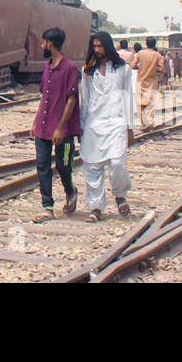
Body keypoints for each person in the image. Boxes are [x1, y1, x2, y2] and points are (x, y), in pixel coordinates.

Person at [79, 31, 137, 221]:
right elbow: (85, 99)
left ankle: (120, 195)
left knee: (118, 163)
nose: (97, 50)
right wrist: (81, 124)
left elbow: (128, 97)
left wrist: (130, 127)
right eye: (94, 46)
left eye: (100, 46)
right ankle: (96, 208)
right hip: (93, 123)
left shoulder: (123, 69)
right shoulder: (88, 70)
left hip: (117, 121)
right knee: (92, 166)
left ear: (108, 46)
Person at [30, 27, 80, 221]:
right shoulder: (46, 66)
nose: (42, 46)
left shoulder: (69, 68)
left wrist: (60, 127)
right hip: (43, 126)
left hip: (63, 130)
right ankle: (47, 207)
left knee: (63, 165)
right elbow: (45, 97)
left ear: (50, 44)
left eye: (43, 42)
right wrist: (35, 122)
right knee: (42, 166)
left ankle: (71, 190)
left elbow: (71, 99)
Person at [132, 37, 162, 128]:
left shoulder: (140, 53)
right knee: (152, 103)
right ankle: (151, 122)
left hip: (140, 81)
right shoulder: (158, 55)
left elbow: (132, 65)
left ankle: (143, 123)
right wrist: (153, 69)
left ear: (146, 43)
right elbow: (161, 68)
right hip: (152, 82)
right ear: (155, 44)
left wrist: (140, 68)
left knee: (140, 103)